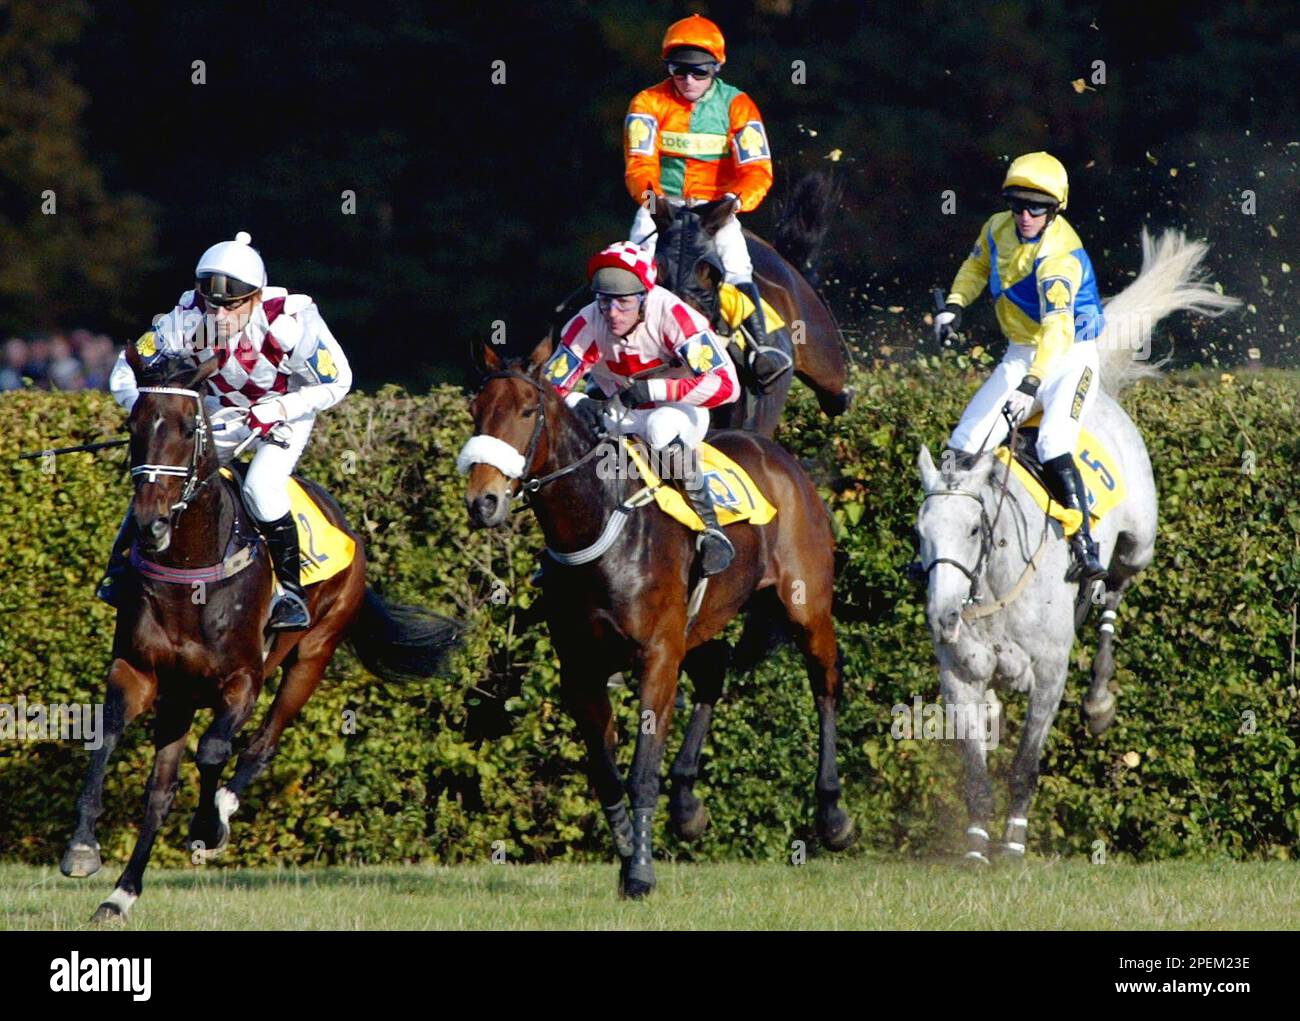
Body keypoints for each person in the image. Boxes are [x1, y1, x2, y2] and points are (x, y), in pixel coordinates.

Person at [101, 231, 353, 630]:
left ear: (255, 296)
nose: (218, 317)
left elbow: (339, 381)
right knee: (160, 475)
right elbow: (124, 374)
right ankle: (119, 568)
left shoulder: (290, 322)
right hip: (218, 414)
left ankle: (290, 593)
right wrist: (152, 417)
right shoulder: (184, 320)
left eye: (231, 306)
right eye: (212, 305)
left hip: (285, 411)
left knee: (261, 488)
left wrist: (282, 407)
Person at [935, 152, 1107, 582]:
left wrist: (1031, 384)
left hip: (1069, 357)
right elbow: (976, 267)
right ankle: (942, 551)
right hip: (1021, 352)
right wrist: (955, 306)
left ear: (1055, 210)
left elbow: (1056, 332)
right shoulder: (996, 228)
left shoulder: (1058, 258)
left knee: (1052, 442)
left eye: (1037, 207)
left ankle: (1084, 545)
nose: (1025, 215)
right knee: (962, 444)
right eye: (1018, 204)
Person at [545, 242, 740, 575]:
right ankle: (557, 549)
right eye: (605, 301)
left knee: (660, 425)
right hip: (620, 413)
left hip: (679, 413)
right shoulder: (587, 322)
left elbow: (727, 385)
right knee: (570, 409)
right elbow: (549, 390)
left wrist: (654, 388)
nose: (612, 313)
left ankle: (712, 532)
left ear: (645, 297)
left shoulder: (674, 315)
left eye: (623, 302)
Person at [623, 14, 788, 389]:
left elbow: (758, 169)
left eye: (699, 73)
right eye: (679, 71)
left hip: (715, 208)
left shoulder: (739, 106)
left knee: (736, 261)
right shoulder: (647, 102)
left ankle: (759, 347)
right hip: (661, 204)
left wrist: (735, 201)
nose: (688, 81)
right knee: (633, 257)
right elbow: (638, 164)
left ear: (716, 68)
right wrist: (653, 200)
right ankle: (612, 345)